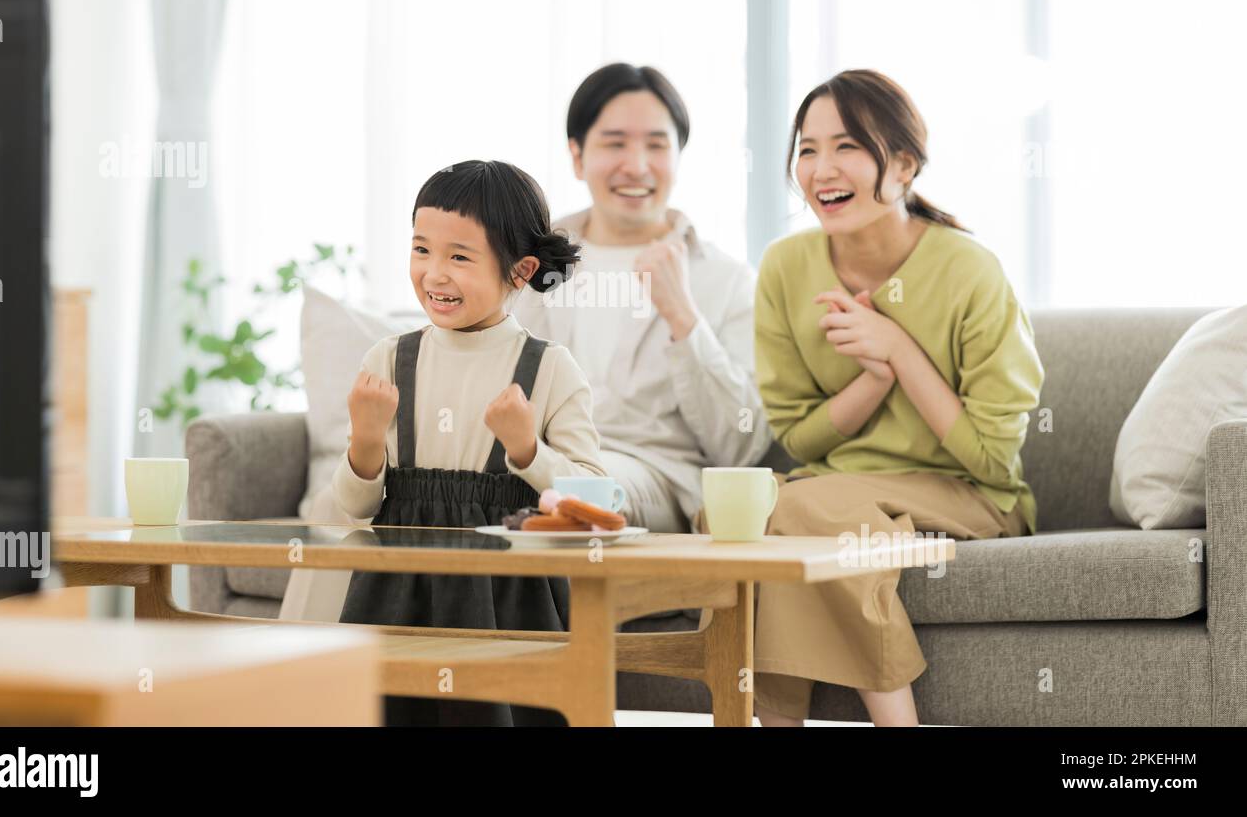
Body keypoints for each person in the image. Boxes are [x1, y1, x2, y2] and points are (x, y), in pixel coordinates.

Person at [751, 69, 1044, 727]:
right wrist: (873, 378)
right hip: (838, 491)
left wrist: (900, 351)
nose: (821, 167)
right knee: (785, 513)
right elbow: (799, 437)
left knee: (798, 507)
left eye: (848, 145)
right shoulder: (784, 267)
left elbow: (993, 461)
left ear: (904, 163)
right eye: (806, 148)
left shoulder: (970, 271)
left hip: (969, 493)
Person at [333, 159, 605, 726]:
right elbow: (358, 508)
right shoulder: (388, 359)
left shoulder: (550, 368)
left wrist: (528, 451)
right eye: (421, 250)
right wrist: (364, 438)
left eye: (459, 257)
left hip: (511, 602)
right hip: (396, 599)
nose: (434, 273)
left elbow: (598, 503)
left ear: (520, 270)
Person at [512, 63, 773, 533]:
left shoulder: (724, 279)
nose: (636, 165)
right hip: (531, 458)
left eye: (656, 145)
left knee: (583, 492)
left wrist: (683, 315)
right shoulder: (530, 262)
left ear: (677, 158)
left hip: (650, 474)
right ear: (577, 156)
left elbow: (741, 446)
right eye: (614, 143)